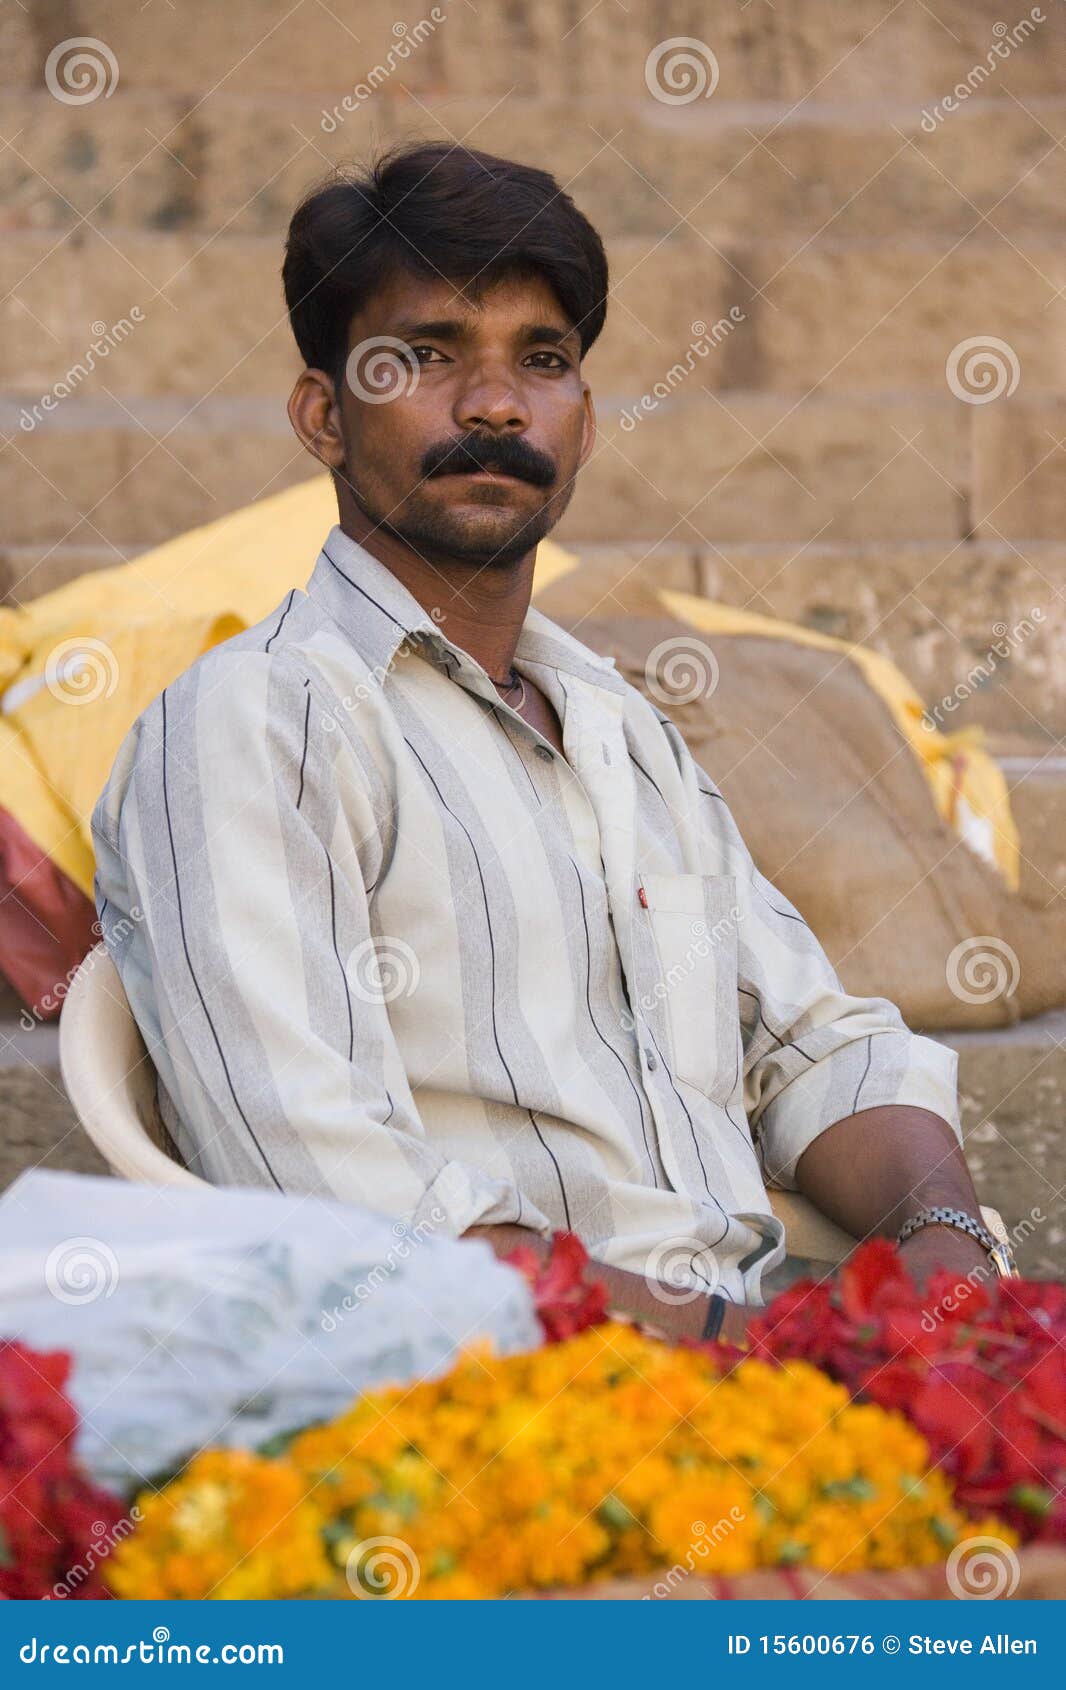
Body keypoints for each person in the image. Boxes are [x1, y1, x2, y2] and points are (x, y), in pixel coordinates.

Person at [92, 141, 1010, 1343]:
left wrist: (947, 1255)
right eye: (426, 355)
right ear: (323, 416)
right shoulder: (254, 722)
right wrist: (737, 1346)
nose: (494, 404)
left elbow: (812, 1043)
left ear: (583, 421)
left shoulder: (620, 729)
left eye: (543, 359)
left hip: (750, 1360)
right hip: (493, 1388)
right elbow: (319, 1182)